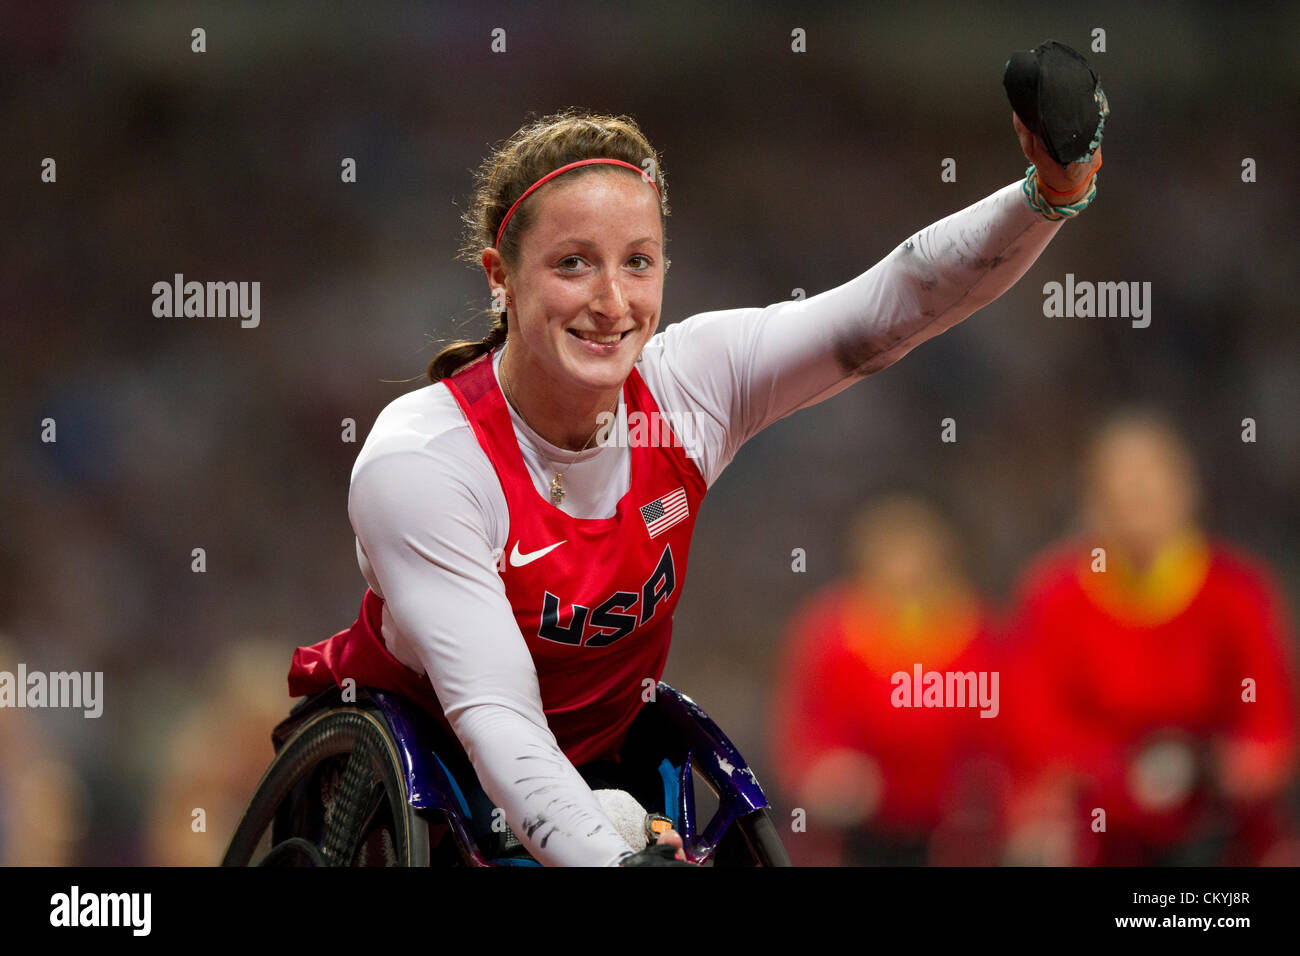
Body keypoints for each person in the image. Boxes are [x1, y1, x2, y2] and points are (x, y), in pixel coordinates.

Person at [286, 103, 1103, 866]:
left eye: (637, 263)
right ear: (500, 276)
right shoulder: (423, 461)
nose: (612, 303)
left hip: (612, 759)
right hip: (428, 776)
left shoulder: (689, 389)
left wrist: (1047, 194)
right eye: (573, 264)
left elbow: (886, 311)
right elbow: (497, 717)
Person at [1002, 410, 1299, 865]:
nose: (1138, 497)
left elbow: (1271, 725)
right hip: (1099, 828)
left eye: (1152, 484)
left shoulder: (1236, 592)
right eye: (1121, 489)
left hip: (1219, 827)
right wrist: (1115, 773)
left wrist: (1212, 768)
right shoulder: (1055, 596)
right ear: (1093, 502)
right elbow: (1034, 728)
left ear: (1187, 492)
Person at [770, 495, 1011, 866]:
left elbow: (1004, 735)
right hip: (852, 832)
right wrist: (824, 771)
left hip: (954, 836)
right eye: (890, 564)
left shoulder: (977, 633)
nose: (905, 580)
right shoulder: (832, 634)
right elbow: (803, 732)